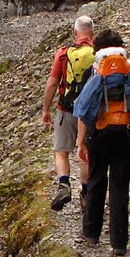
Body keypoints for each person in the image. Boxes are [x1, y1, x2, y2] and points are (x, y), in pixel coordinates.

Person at [72, 29, 130, 256]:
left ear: (97, 49)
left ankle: (91, 233)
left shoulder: (94, 72)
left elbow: (83, 109)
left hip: (99, 134)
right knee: (120, 185)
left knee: (96, 180)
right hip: (127, 135)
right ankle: (119, 243)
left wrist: (81, 142)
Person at [40, 13, 96, 210]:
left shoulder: (64, 53)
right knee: (85, 153)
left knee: (61, 150)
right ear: (92, 33)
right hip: (90, 113)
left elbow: (53, 83)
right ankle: (86, 194)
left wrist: (46, 110)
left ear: (75, 32)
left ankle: (64, 184)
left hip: (67, 109)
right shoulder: (98, 53)